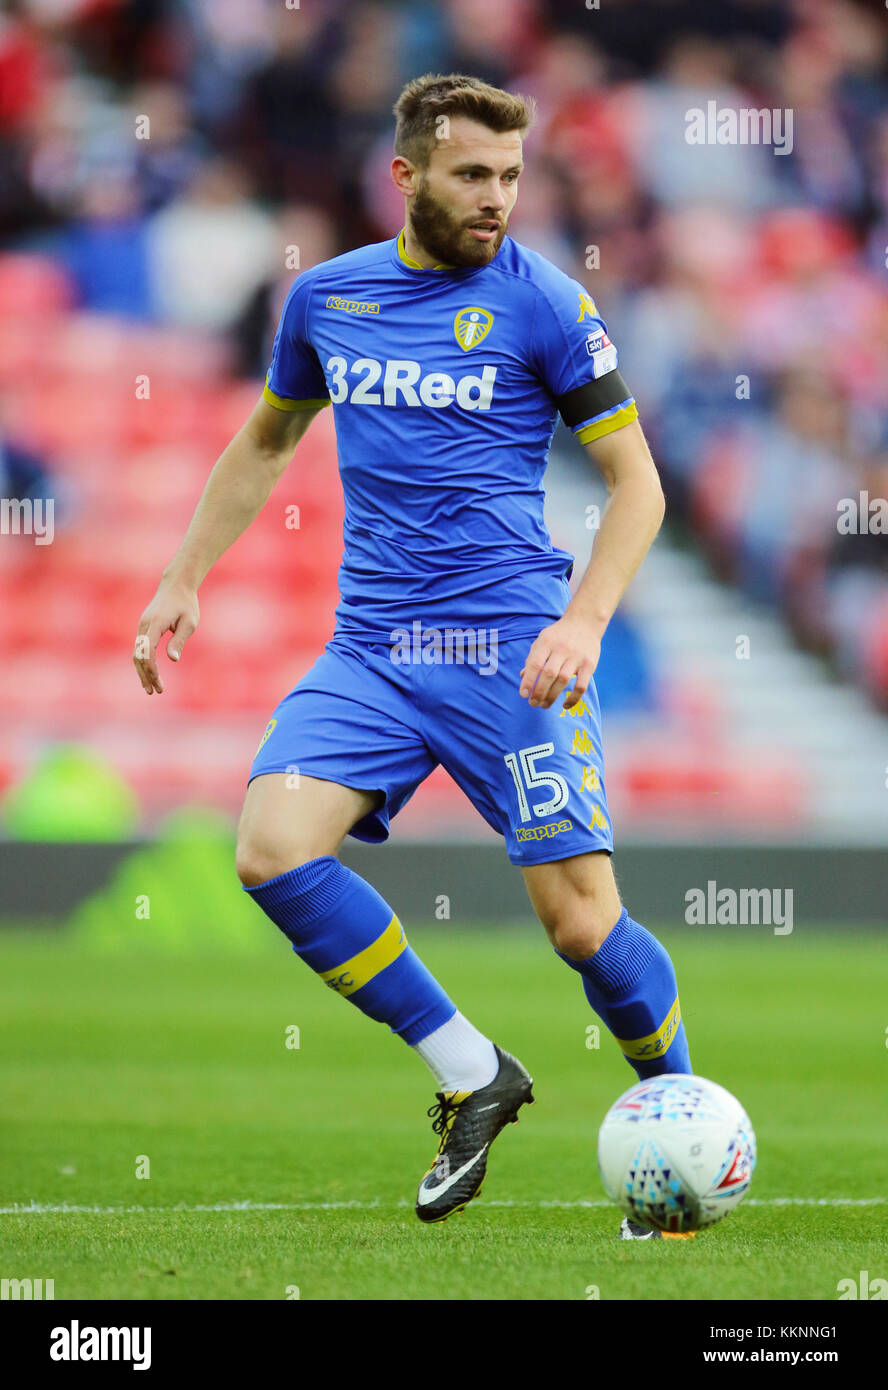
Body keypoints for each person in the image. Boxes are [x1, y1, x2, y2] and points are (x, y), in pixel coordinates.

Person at [134, 73, 692, 1240]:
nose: (498, 198)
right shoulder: (328, 300)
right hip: (373, 652)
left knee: (584, 927)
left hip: (508, 657)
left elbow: (637, 484)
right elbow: (266, 439)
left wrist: (582, 620)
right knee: (272, 850)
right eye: (472, 175)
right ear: (406, 177)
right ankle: (474, 1070)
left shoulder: (546, 304)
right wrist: (185, 572)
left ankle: (675, 1111)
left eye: (510, 176)